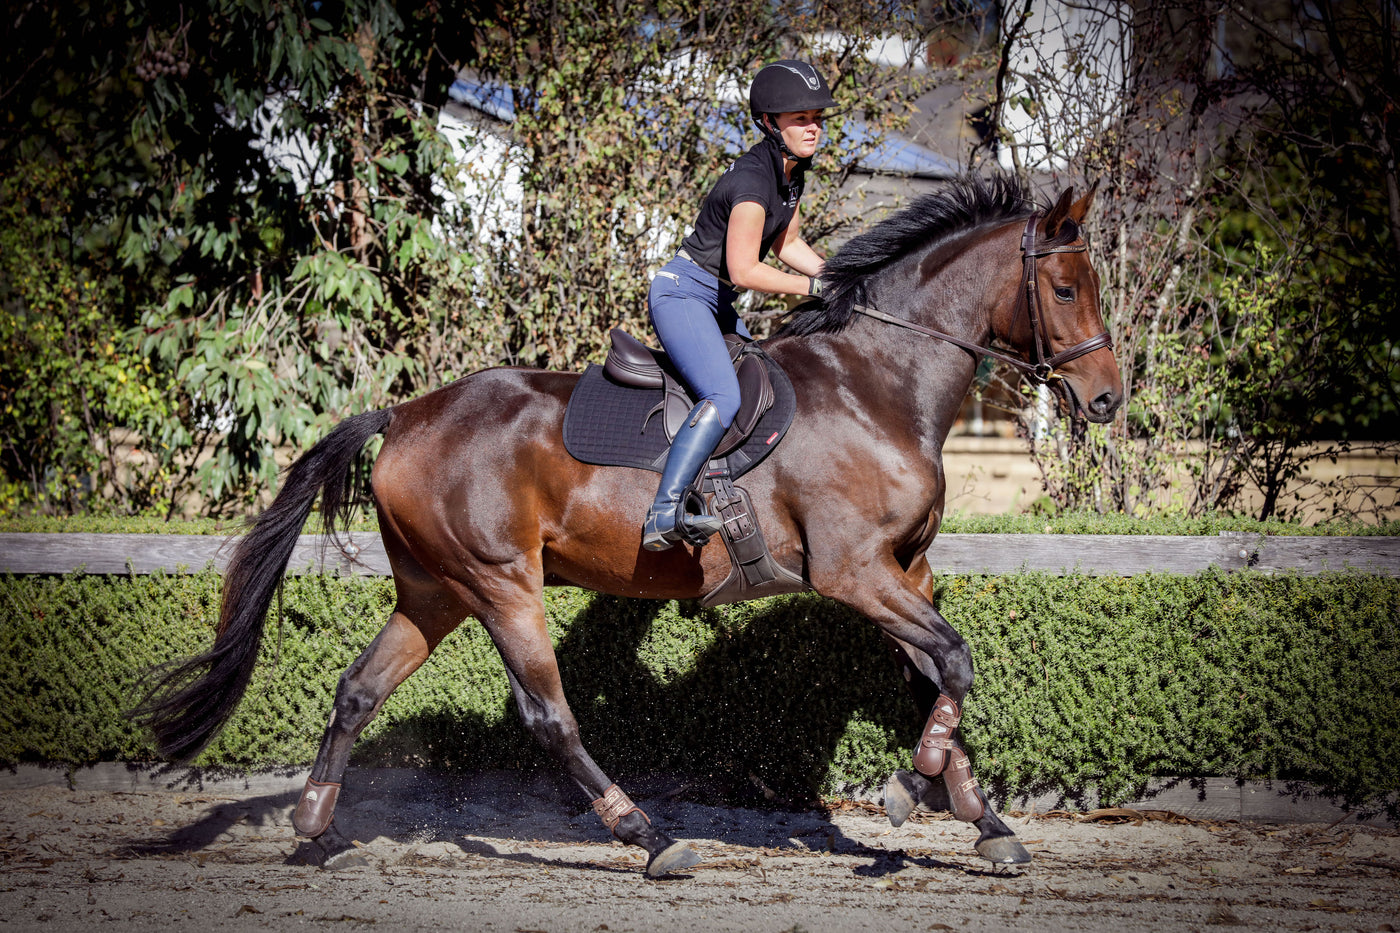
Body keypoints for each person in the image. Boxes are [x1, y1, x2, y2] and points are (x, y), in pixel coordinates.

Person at [641, 60, 835, 551]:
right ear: (770, 123)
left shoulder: (790, 175)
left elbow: (788, 245)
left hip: (716, 299)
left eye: (817, 116)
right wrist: (813, 291)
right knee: (725, 397)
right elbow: (747, 270)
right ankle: (663, 514)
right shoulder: (752, 182)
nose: (813, 127)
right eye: (799, 118)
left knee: (765, 382)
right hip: (683, 293)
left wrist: (838, 277)